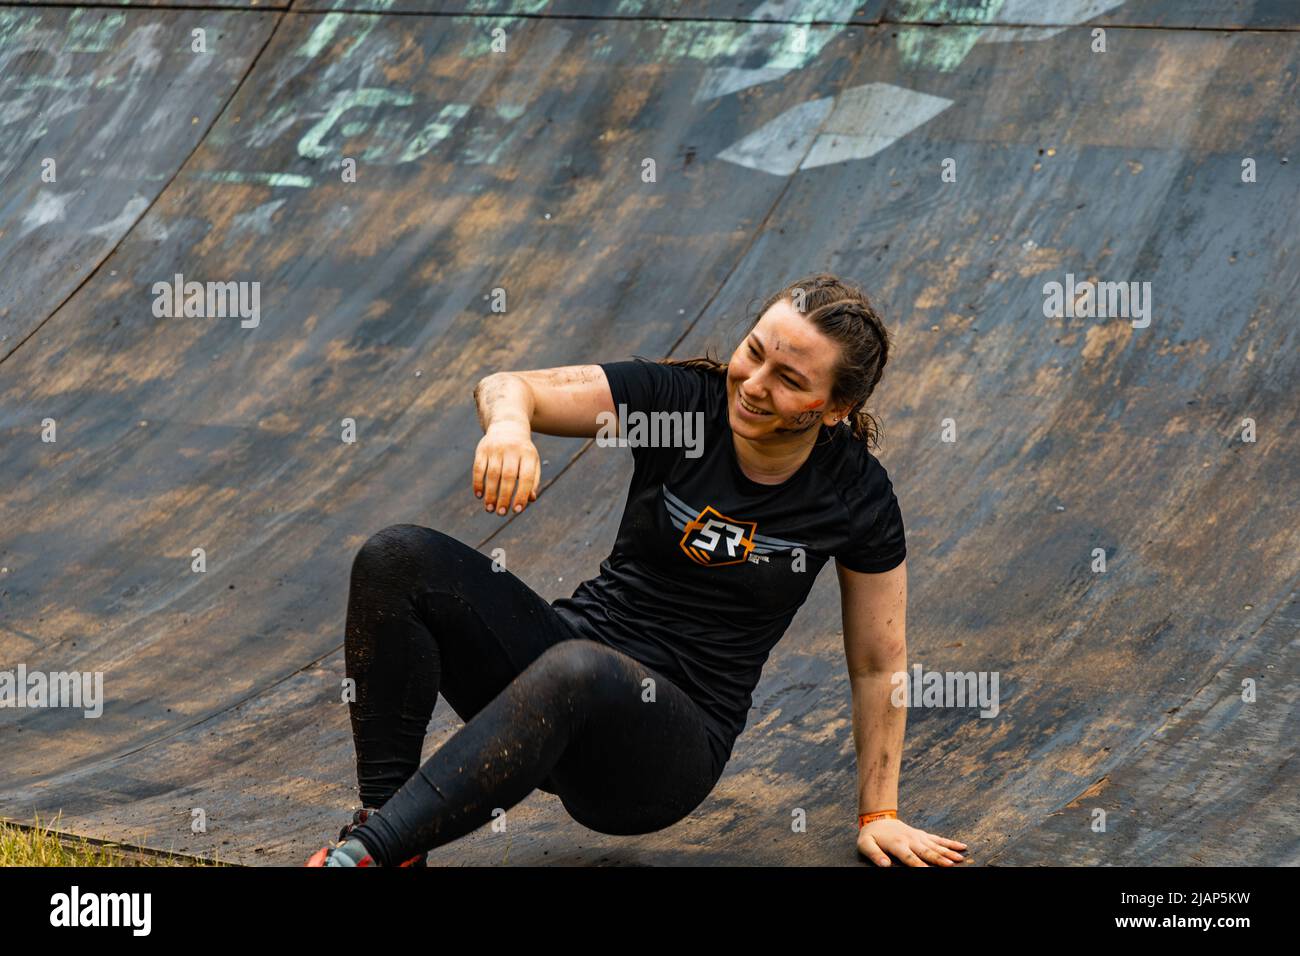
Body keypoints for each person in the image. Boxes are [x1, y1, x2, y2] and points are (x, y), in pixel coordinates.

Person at [306, 273, 967, 867]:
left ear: (834, 409)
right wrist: (509, 428)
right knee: (396, 557)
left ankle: (362, 856)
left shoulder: (855, 495)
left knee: (581, 668)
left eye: (791, 380)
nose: (755, 384)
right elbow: (510, 385)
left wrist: (879, 814)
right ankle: (387, 837)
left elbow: (880, 663)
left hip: (660, 755)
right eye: (755, 351)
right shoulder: (681, 406)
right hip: (546, 689)